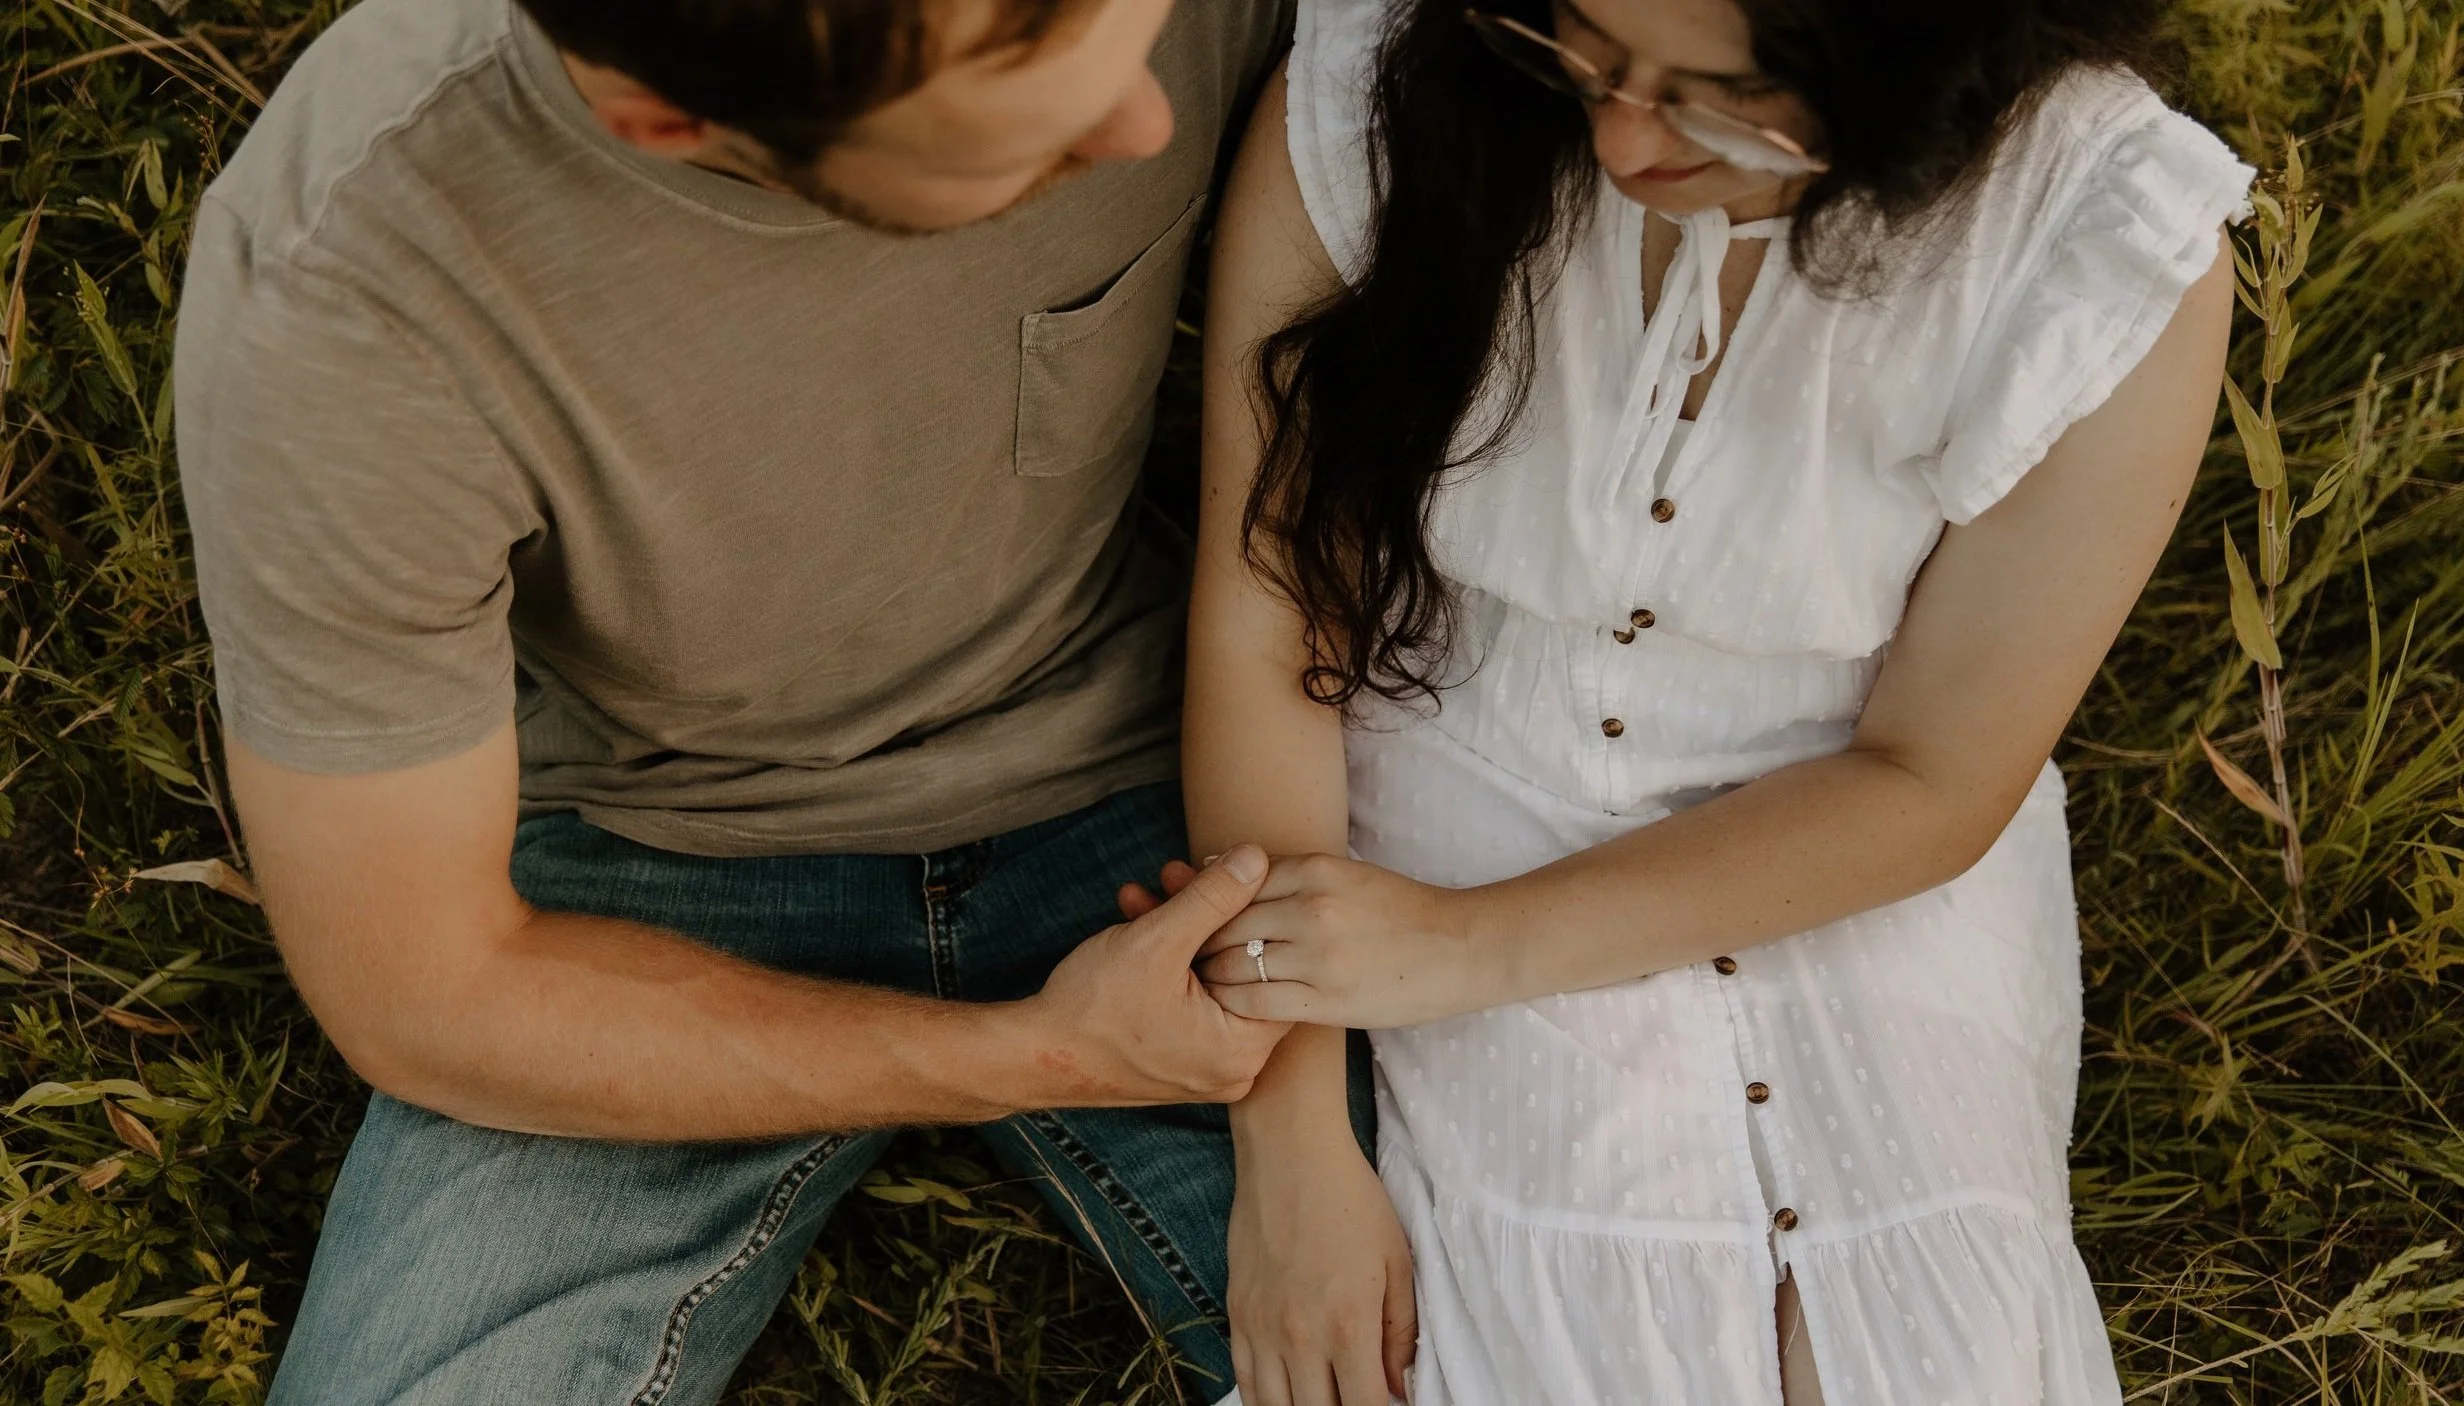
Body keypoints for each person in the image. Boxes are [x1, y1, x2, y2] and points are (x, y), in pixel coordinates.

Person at [170, 0, 1339, 1401]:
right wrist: (1039, 1052)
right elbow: (432, 987)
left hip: (1164, 767)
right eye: (1033, 129)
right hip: (658, 867)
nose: (1147, 123)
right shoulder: (350, 297)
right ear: (667, 121)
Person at [1183, 0, 2254, 1401]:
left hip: (1855, 846)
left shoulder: (2099, 239)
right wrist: (1298, 1147)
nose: (1623, 134)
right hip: (1454, 783)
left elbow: (1932, 774)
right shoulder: (1378, 89)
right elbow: (1270, 621)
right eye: (1583, 39)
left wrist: (1467, 949)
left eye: (1721, 96)